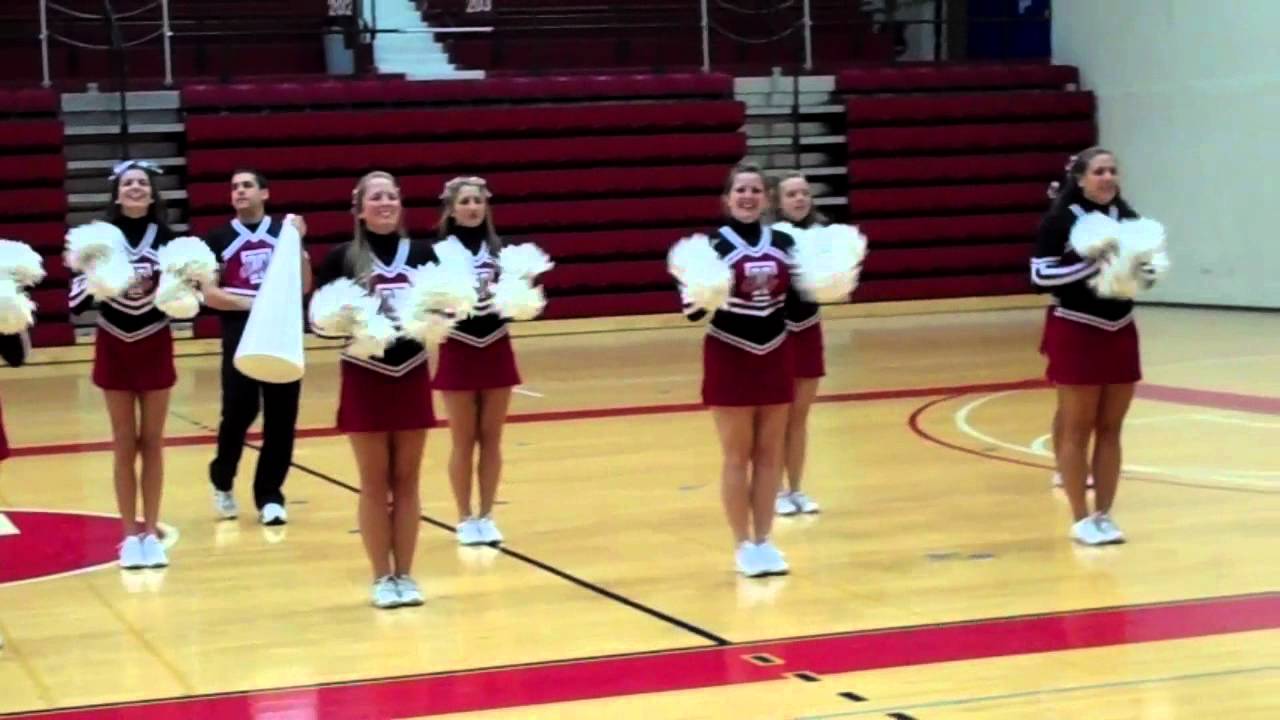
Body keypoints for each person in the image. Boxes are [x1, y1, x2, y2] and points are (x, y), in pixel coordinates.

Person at [310, 171, 437, 608]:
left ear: (400, 204)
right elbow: (319, 322)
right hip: (364, 375)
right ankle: (382, 577)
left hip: (412, 372)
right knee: (373, 481)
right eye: (376, 197)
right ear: (360, 209)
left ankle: (407, 574)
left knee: (407, 480)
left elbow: (445, 312)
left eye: (391, 196)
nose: (385, 203)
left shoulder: (423, 254)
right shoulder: (341, 258)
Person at [675, 161, 802, 577]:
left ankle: (765, 539)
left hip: (776, 353)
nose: (748, 196)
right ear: (727, 199)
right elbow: (693, 313)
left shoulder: (784, 241)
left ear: (766, 199)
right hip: (730, 354)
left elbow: (800, 303)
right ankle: (742, 544)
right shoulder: (710, 247)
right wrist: (698, 293)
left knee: (770, 454)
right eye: (740, 190)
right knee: (737, 455)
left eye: (755, 190)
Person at [1031, 147, 1158, 546]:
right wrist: (1094, 264)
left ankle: (1104, 514)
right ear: (1081, 178)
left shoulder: (1128, 217)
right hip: (1076, 327)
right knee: (1077, 427)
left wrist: (1146, 270)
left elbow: (1145, 274)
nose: (1107, 177)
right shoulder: (1060, 219)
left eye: (1112, 170)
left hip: (1120, 328)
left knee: (1111, 428)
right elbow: (1040, 276)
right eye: (1099, 171)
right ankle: (1079, 517)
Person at [68, 160, 176, 569]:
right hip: (114, 341)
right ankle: (129, 535)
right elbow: (75, 302)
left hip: (155, 341)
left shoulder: (168, 239)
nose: (135, 188)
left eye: (142, 183)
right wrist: (100, 280)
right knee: (123, 442)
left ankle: (151, 532)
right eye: (128, 183)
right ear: (116, 193)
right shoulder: (99, 238)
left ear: (151, 193)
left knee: (153, 442)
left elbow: (185, 300)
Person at [199, 169, 311, 526]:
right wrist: (256, 304)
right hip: (240, 334)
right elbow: (210, 293)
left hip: (281, 334)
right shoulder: (217, 238)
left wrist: (299, 245)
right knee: (239, 412)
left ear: (265, 193)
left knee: (282, 417)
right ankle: (222, 478)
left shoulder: (284, 233)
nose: (240, 191)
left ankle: (270, 495)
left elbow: (303, 285)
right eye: (234, 187)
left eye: (247, 185)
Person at [432, 177, 522, 546]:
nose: (472, 207)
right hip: (458, 347)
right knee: (463, 439)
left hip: (496, 346)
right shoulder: (438, 251)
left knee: (492, 438)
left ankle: (487, 515)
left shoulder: (502, 251)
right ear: (451, 209)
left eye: (478, 201)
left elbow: (520, 297)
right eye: (465, 201)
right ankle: (464, 518)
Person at [769, 172, 825, 516]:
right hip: (776, 333)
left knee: (799, 417)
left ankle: (796, 489)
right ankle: (773, 490)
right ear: (778, 202)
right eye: (791, 194)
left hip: (809, 330)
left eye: (804, 193)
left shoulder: (824, 236)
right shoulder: (769, 239)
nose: (800, 199)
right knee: (777, 417)